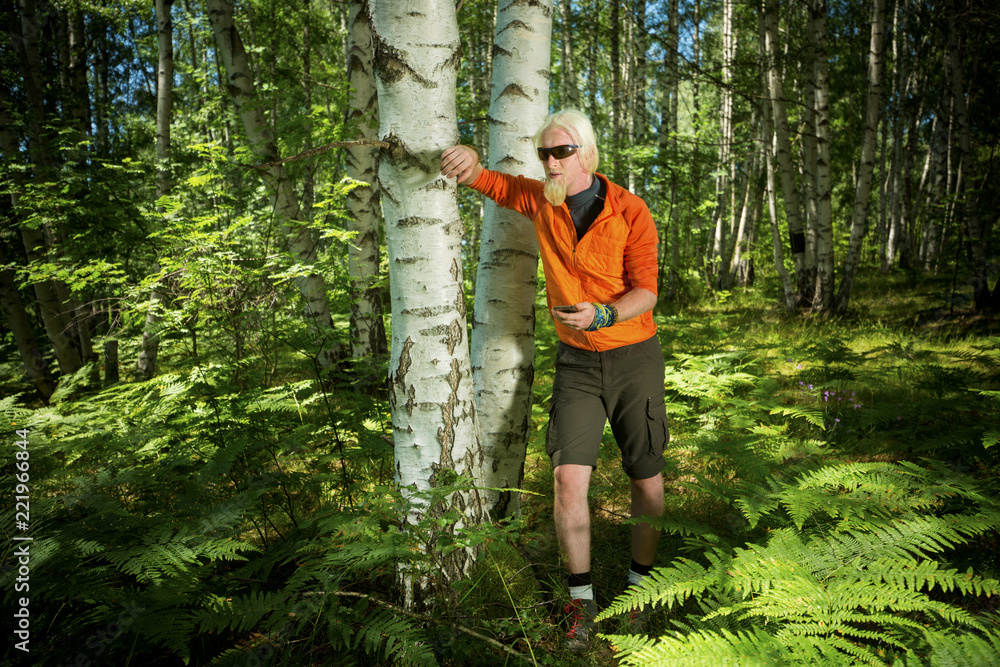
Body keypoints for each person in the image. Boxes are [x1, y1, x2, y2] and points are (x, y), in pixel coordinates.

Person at [441, 109, 669, 651]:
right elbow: (490, 182)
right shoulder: (543, 199)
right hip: (576, 364)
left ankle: (639, 592)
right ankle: (581, 605)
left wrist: (605, 315)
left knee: (645, 478)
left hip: (635, 354)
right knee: (568, 479)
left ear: (586, 154)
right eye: (543, 153)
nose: (550, 161)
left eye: (560, 151)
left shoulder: (631, 210)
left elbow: (647, 290)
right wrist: (468, 160)